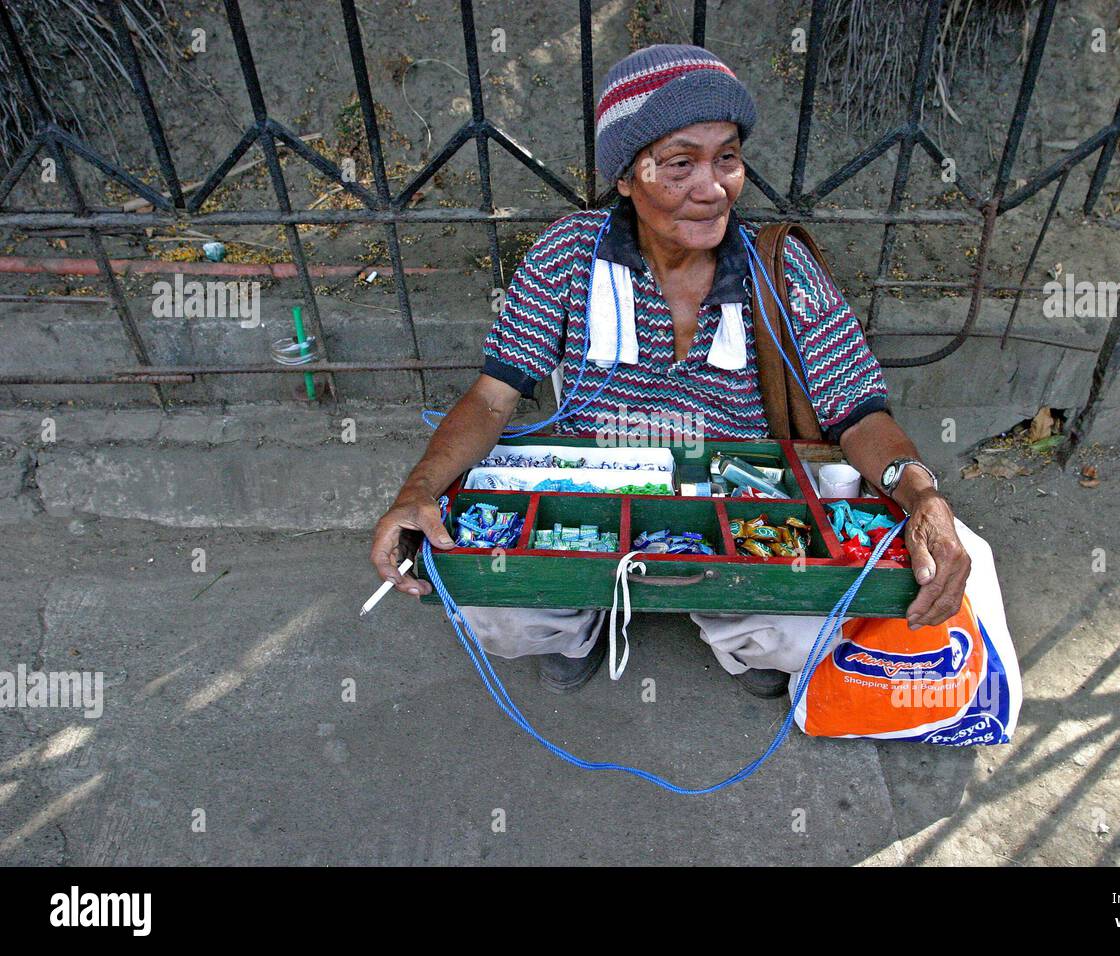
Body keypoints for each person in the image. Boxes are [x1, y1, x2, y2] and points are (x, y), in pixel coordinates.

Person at [371, 44, 970, 696]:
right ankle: (571, 625)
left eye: (728, 158)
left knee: (794, 637)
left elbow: (858, 412)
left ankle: (745, 638)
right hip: (595, 485)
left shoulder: (780, 270)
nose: (713, 189)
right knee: (496, 601)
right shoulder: (570, 255)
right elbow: (493, 398)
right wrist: (419, 488)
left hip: (736, 497)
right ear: (626, 177)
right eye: (680, 164)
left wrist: (923, 498)